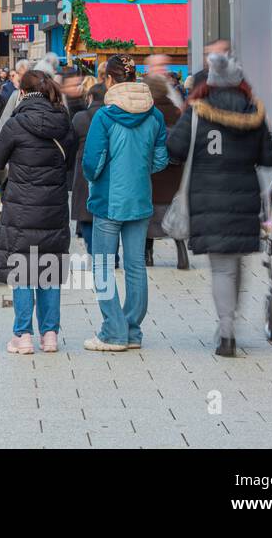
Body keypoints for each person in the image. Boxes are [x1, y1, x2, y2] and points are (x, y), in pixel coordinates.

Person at [167, 53, 272, 357]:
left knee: (221, 268)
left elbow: (174, 148)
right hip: (243, 198)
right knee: (236, 261)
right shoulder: (253, 112)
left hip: (206, 198)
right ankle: (230, 324)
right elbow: (269, 157)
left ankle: (226, 329)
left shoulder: (197, 111)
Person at [81, 55, 169, 352]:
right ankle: (132, 330)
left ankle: (112, 331)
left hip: (108, 199)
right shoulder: (155, 115)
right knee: (135, 266)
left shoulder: (104, 117)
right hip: (140, 197)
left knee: (104, 266)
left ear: (109, 80)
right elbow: (160, 159)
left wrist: (96, 178)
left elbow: (92, 162)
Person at [0, 70, 76, 353]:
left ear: (22, 94)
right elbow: (70, 161)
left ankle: (23, 336)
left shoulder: (15, 124)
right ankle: (49, 335)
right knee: (48, 268)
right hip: (54, 206)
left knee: (23, 269)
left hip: (21, 208)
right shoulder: (64, 121)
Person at [144, 69, 189, 269]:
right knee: (173, 211)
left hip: (153, 171)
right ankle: (182, 254)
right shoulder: (177, 111)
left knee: (149, 216)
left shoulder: (147, 113)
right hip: (174, 172)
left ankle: (148, 255)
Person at [70, 81, 106, 253]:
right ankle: (111, 257)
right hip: (107, 168)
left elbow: (71, 141)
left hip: (83, 168)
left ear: (90, 97)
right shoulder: (111, 117)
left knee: (85, 215)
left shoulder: (80, 118)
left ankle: (93, 250)